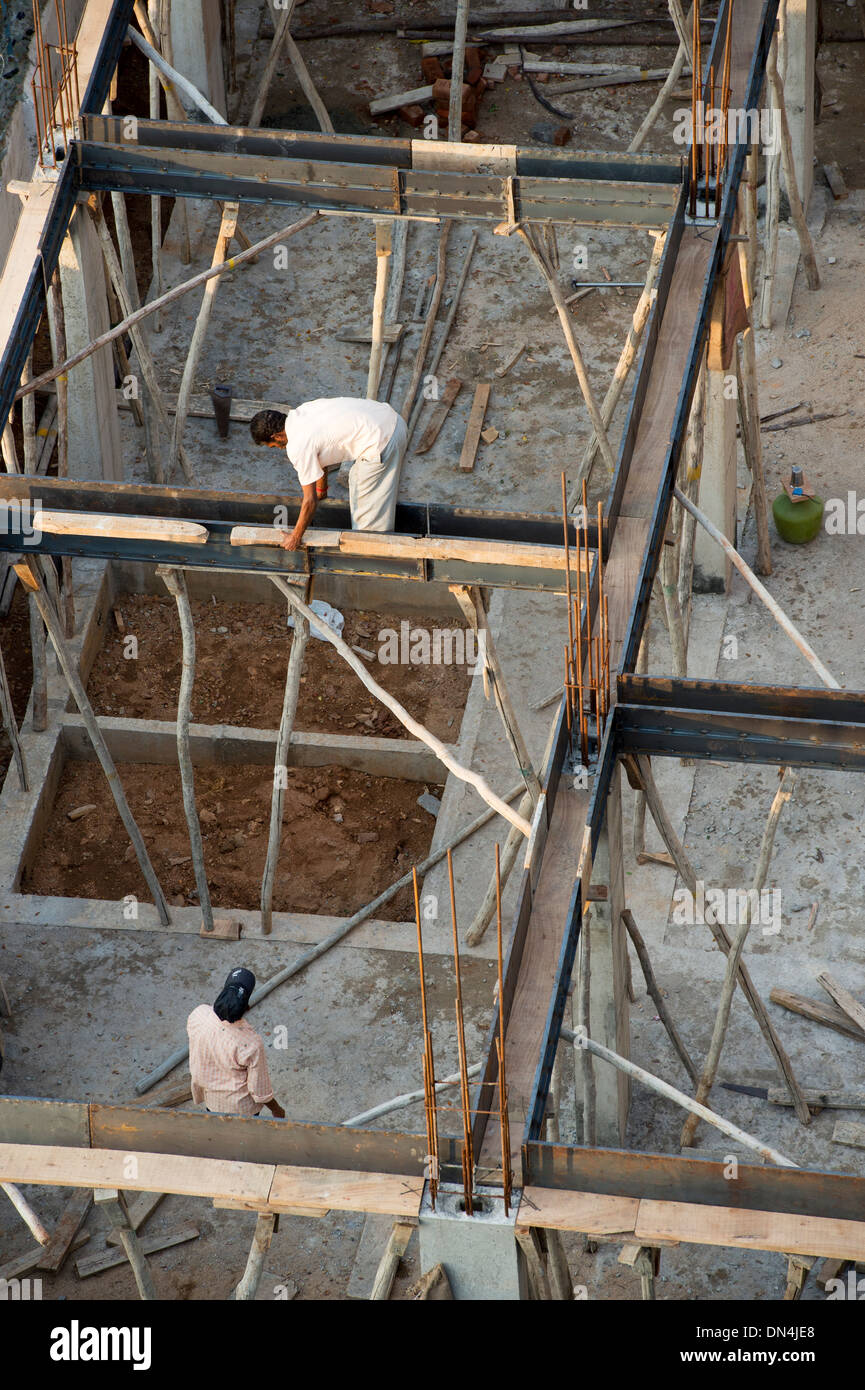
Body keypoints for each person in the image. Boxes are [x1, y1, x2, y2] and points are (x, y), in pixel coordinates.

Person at [249, 396, 408, 550]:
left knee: (368, 517)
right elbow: (319, 460)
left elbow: (309, 501)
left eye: (274, 446)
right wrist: (322, 491)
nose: (279, 448)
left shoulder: (297, 445)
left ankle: (375, 552)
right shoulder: (302, 413)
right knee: (357, 479)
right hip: (392, 420)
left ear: (276, 436)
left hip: (384, 439)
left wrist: (295, 537)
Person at [186, 967, 285, 1118]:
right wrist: (276, 1109)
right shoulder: (250, 1043)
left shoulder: (198, 1015)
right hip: (242, 1107)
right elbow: (259, 1090)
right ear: (247, 1007)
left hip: (212, 1101)